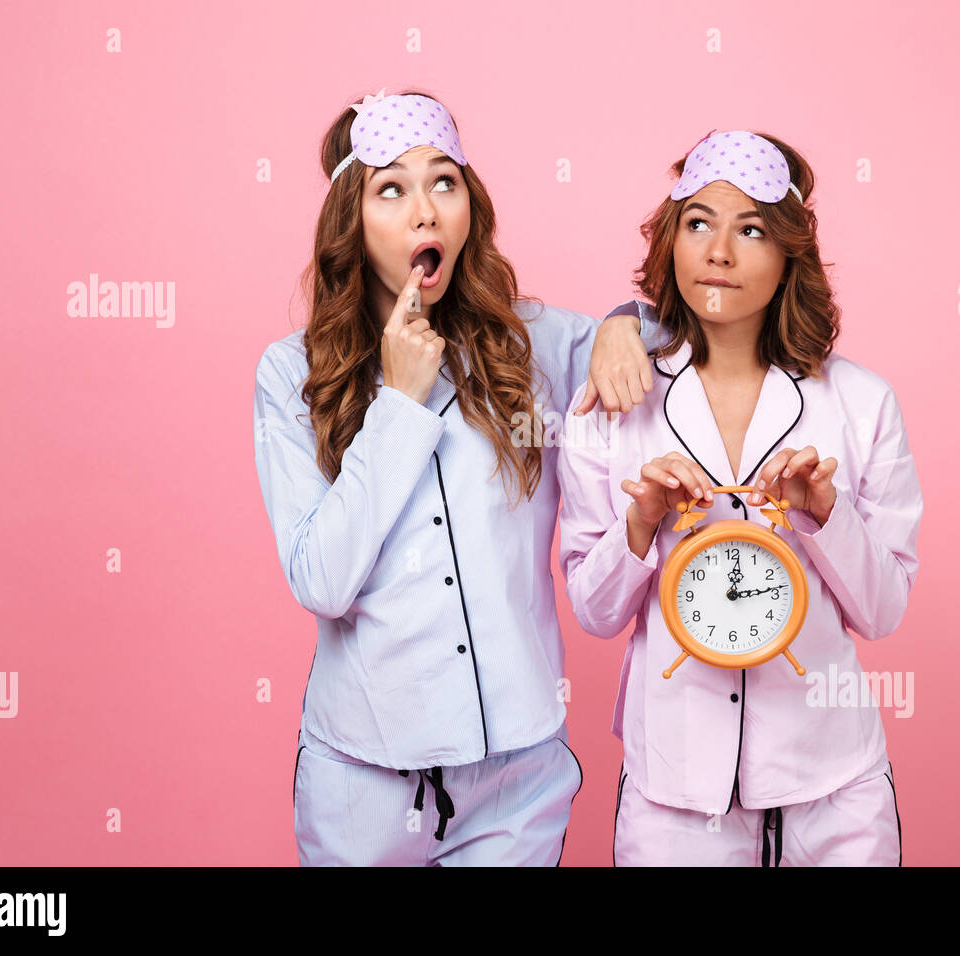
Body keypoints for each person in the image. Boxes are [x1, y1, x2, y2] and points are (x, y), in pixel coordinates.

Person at [252, 88, 667, 866]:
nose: (426, 212)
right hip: (363, 785)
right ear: (352, 217)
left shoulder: (532, 343)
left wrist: (622, 321)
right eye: (392, 189)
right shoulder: (290, 375)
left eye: (445, 182)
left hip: (518, 780)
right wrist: (400, 403)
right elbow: (323, 580)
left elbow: (692, 338)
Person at [556, 130, 924, 866]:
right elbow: (594, 615)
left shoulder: (860, 402)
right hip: (675, 799)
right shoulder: (614, 400)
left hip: (834, 786)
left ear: (789, 253)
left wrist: (825, 514)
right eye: (698, 223)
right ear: (671, 240)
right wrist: (643, 520)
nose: (718, 252)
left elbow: (882, 613)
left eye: (750, 229)